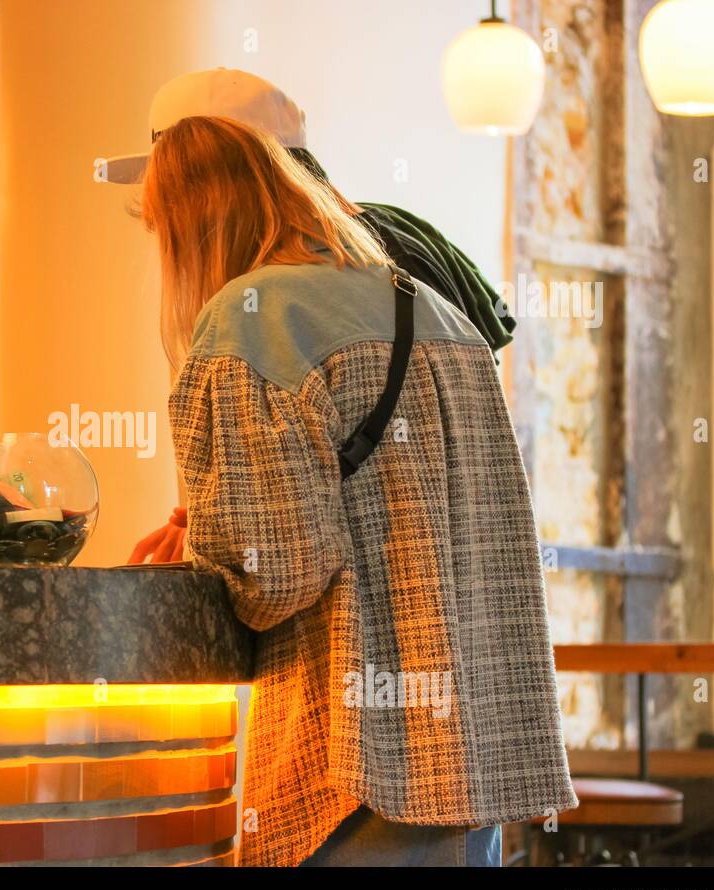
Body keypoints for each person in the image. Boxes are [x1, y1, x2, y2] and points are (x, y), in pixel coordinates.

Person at [133, 113, 576, 865]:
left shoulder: (252, 324)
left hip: (357, 768)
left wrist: (199, 552)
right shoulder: (434, 308)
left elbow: (277, 571)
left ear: (188, 224)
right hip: (477, 763)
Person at [106, 68, 514, 563]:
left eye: (163, 215)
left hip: (353, 637)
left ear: (201, 203)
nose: (160, 235)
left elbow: (278, 571)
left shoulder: (256, 321)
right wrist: (201, 520)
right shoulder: (414, 289)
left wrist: (215, 552)